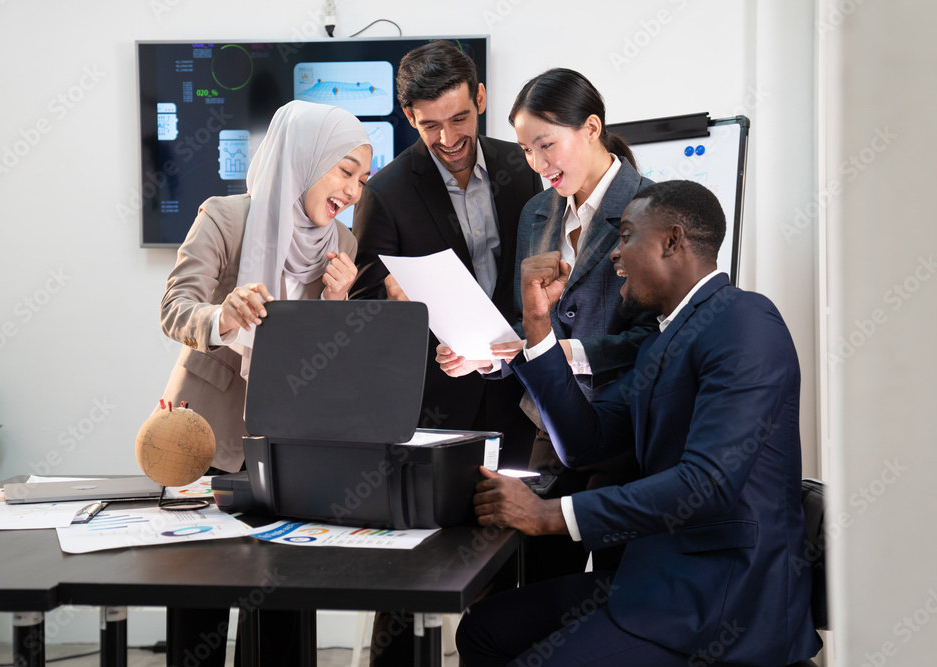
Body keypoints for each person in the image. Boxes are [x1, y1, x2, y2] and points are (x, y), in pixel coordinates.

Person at [456, 180, 822, 665]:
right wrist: (539, 326)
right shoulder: (662, 342)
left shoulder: (744, 319)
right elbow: (585, 444)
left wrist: (549, 515)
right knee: (483, 629)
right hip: (656, 578)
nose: (614, 253)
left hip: (722, 600)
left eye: (626, 235)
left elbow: (707, 483)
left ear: (672, 241)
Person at [158, 100, 372, 667]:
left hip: (289, 448)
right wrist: (223, 316)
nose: (353, 191)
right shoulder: (225, 217)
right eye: (345, 171)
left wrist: (337, 303)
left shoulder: (342, 246)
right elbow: (174, 308)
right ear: (306, 159)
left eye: (362, 180)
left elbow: (330, 365)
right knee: (200, 601)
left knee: (283, 603)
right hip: (205, 437)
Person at [349, 41, 542, 666]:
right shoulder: (387, 191)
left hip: (524, 399)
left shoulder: (524, 166)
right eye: (431, 125)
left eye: (460, 118)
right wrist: (401, 303)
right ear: (409, 117)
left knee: (511, 560)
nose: (450, 138)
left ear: (480, 98)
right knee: (414, 567)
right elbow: (364, 304)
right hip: (435, 409)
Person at [436, 68, 658, 579]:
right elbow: (528, 322)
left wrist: (565, 355)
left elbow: (659, 336)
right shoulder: (537, 211)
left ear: (591, 128)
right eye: (526, 150)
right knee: (537, 586)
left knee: (619, 587)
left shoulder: (652, 206)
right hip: (549, 429)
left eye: (546, 146)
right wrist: (485, 354)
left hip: (626, 430)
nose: (536, 164)